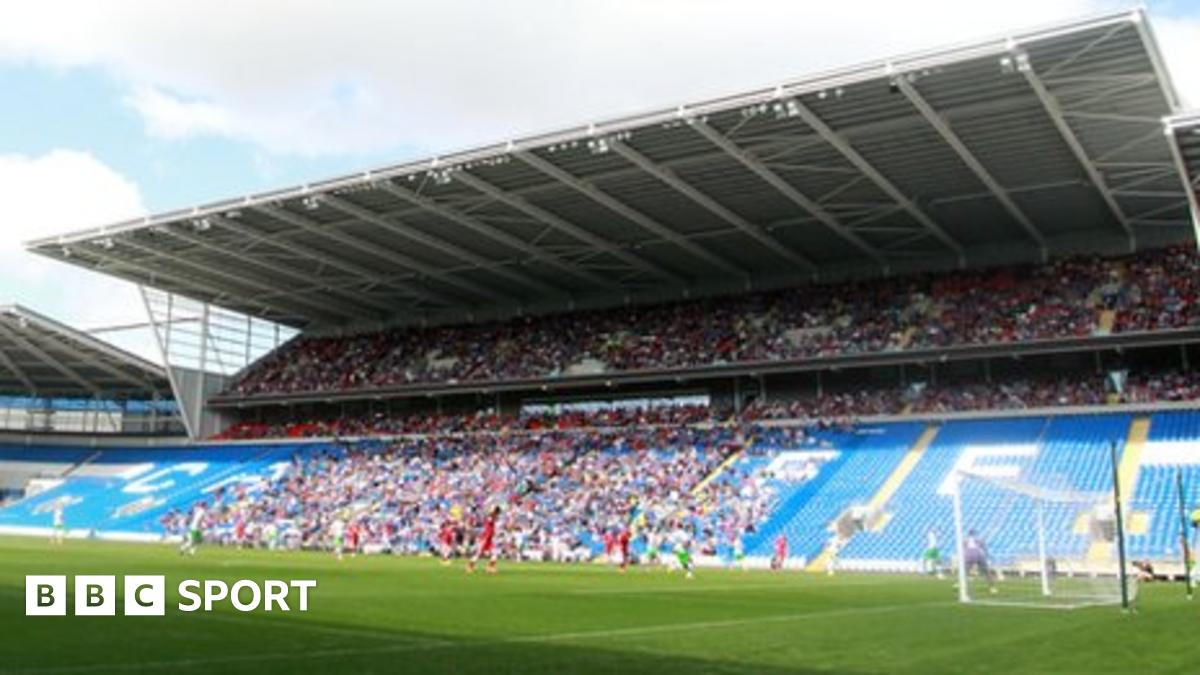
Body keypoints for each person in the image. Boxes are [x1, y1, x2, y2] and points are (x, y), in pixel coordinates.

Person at [467, 505, 500, 574]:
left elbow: (495, 518)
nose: (496, 512)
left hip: (490, 538)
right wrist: (494, 512)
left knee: (495, 553)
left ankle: (490, 567)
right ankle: (470, 566)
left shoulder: (493, 517)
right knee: (478, 554)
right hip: (485, 537)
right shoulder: (490, 517)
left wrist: (496, 512)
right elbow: (491, 518)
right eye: (496, 511)